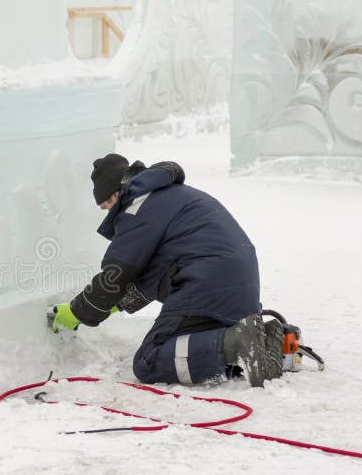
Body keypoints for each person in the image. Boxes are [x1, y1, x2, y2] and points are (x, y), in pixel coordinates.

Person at [52, 154, 283, 387]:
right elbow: (155, 273)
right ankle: (258, 342)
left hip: (205, 283)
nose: (107, 212)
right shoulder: (170, 196)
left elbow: (115, 276)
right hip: (237, 282)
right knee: (195, 344)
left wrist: (76, 312)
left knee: (149, 360)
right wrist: (114, 305)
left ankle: (234, 343)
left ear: (114, 194)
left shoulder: (138, 208)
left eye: (106, 206)